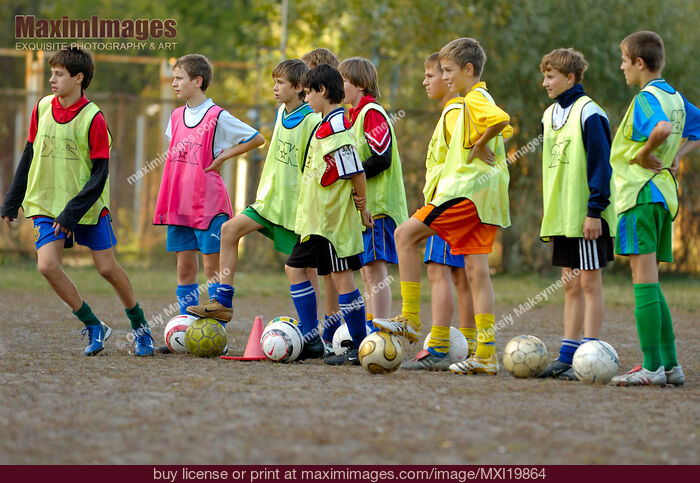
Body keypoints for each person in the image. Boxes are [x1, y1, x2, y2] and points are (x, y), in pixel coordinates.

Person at [0, 47, 153, 356]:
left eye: (58, 74)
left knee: (107, 268)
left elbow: (99, 176)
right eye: (51, 73)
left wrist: (71, 213)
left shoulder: (93, 118)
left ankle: (141, 329)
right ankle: (94, 325)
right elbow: (28, 155)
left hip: (87, 207)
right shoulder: (42, 107)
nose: (51, 79)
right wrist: (12, 200)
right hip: (46, 203)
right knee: (47, 266)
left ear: (78, 78)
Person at [373, 38, 512, 376]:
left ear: (468, 70)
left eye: (448, 71)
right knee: (477, 273)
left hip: (465, 193)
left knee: (404, 235)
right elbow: (503, 129)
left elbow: (501, 119)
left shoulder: (474, 98)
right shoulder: (475, 101)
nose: (444, 77)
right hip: (489, 200)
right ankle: (486, 354)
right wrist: (482, 142)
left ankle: (409, 318)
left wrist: (478, 144)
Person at [186, 60, 321, 334]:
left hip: (296, 210)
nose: (274, 88)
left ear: (298, 87)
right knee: (229, 230)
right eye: (274, 82)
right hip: (268, 203)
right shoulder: (281, 111)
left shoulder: (313, 121)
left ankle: (315, 331)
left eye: (280, 83)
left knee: (306, 270)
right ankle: (222, 302)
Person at [153, 54, 264, 352]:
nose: (174, 83)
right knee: (184, 269)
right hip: (179, 203)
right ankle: (185, 332)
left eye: (179, 78)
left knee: (211, 269)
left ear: (197, 81)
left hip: (209, 204)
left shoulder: (217, 116)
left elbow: (256, 139)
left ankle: (216, 334)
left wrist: (226, 154)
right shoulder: (175, 116)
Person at [609, 31, 700, 387]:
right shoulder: (675, 97)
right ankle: (671, 366)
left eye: (624, 61)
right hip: (663, 198)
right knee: (653, 282)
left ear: (640, 63)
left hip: (640, 196)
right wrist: (676, 155)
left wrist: (646, 154)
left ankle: (650, 368)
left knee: (643, 283)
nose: (621, 67)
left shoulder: (648, 98)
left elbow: (661, 129)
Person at [284, 64, 373, 364]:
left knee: (341, 278)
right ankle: (311, 339)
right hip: (314, 222)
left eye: (308, 93)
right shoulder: (324, 124)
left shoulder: (336, 127)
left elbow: (356, 171)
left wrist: (363, 208)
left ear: (322, 91)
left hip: (333, 222)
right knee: (294, 268)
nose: (306, 98)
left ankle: (361, 347)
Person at [536, 48, 616, 381]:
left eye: (551, 76)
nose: (545, 83)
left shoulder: (590, 113)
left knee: (589, 283)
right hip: (562, 217)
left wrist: (594, 211)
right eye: (544, 76)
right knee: (569, 285)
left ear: (571, 77)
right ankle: (568, 355)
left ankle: (591, 354)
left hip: (586, 216)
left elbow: (602, 164)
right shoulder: (548, 114)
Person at [401, 53, 476, 371]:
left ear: (449, 79)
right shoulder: (455, 111)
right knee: (460, 274)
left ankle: (437, 344)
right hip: (462, 201)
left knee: (437, 270)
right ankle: (471, 344)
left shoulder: (456, 112)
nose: (426, 81)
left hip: (449, 203)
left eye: (432, 74)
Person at [338, 57, 408, 335]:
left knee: (376, 271)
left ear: (361, 84)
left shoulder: (372, 113)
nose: (338, 86)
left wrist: (354, 174)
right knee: (367, 270)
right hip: (365, 209)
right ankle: (371, 328)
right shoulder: (351, 117)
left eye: (343, 81)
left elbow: (382, 159)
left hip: (380, 207)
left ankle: (381, 332)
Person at [301, 49, 343, 353]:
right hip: (313, 211)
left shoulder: (336, 123)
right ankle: (318, 331)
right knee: (315, 271)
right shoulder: (314, 119)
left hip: (334, 214)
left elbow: (350, 166)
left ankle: (330, 332)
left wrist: (362, 201)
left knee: (334, 275)